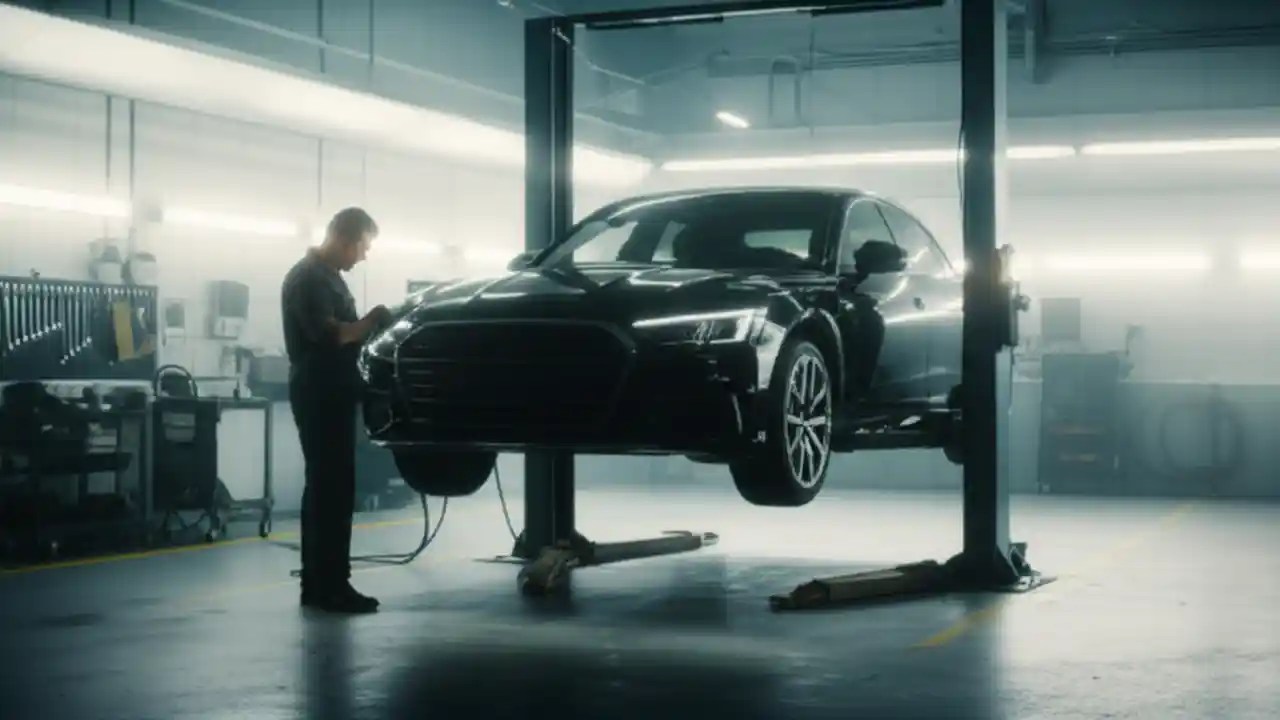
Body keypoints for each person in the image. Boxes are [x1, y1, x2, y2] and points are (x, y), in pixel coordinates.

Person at [281, 207, 391, 613]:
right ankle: (327, 585)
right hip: (319, 391)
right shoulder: (309, 279)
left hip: (334, 391)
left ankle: (324, 582)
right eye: (364, 246)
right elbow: (334, 335)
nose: (363, 256)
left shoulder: (328, 278)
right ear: (346, 238)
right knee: (330, 489)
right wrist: (374, 319)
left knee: (334, 488)